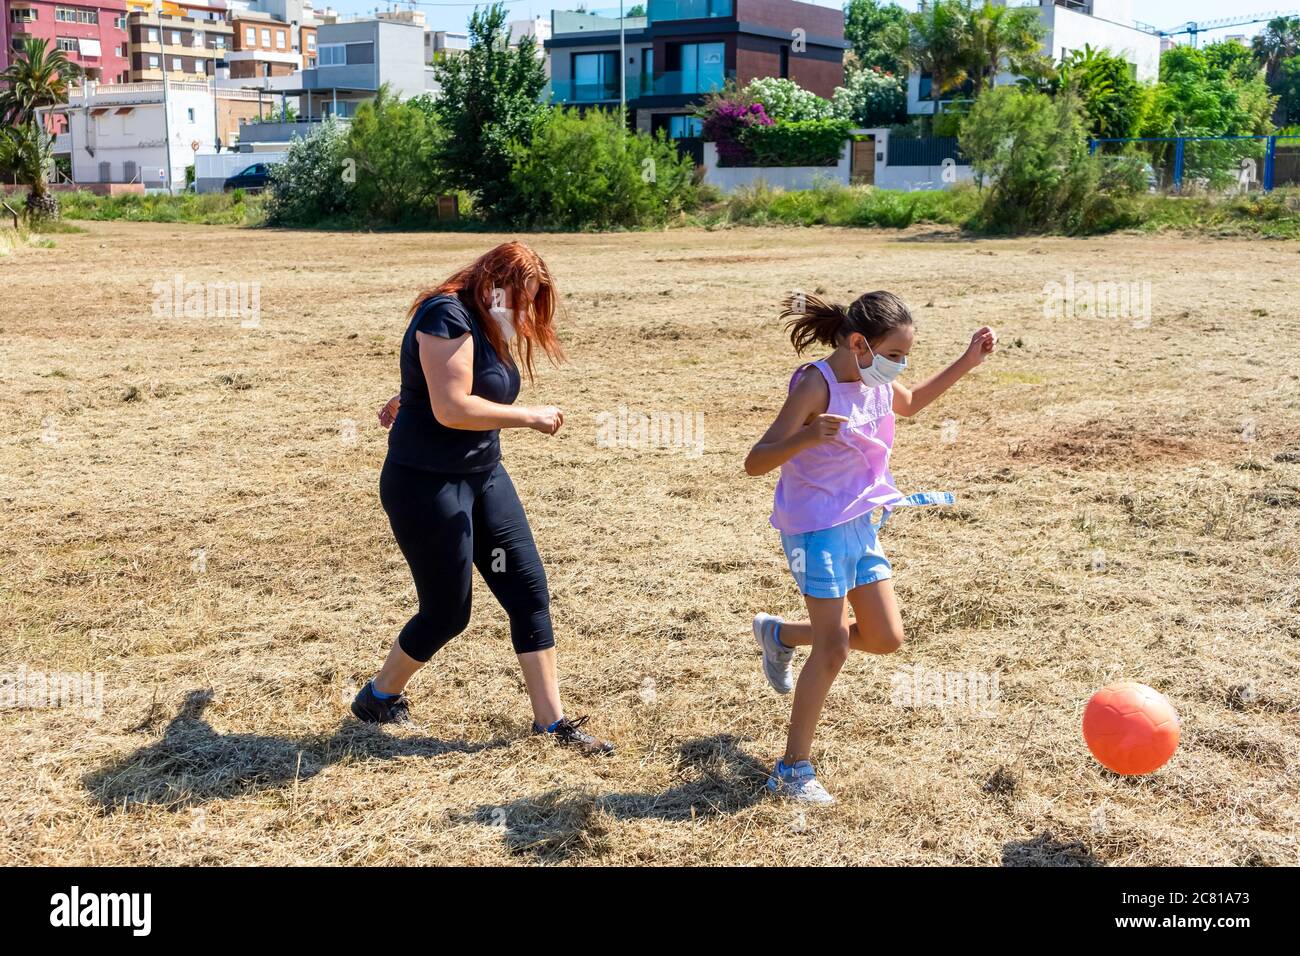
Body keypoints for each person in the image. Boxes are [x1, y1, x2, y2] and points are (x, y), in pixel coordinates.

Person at [351, 241, 613, 756]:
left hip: (483, 475)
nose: (521, 311)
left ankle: (552, 725)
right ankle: (378, 697)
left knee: (528, 591)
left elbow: (462, 380)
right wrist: (530, 416)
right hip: (425, 484)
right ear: (492, 281)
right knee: (448, 612)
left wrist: (410, 392)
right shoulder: (446, 313)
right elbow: (452, 408)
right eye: (519, 297)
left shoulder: (488, 321)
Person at [745, 290, 996, 802]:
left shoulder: (874, 379)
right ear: (860, 343)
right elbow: (756, 460)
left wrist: (967, 361)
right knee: (834, 645)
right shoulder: (817, 385)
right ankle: (792, 770)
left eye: (905, 357)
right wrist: (808, 437)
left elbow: (914, 403)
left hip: (862, 520)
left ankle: (782, 636)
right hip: (815, 529)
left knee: (885, 637)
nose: (900, 366)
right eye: (895, 356)